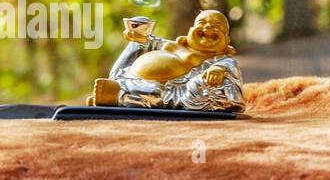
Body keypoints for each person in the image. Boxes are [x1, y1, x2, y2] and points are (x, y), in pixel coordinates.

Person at [89, 10, 245, 113]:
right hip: (133, 78)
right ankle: (117, 93)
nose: (209, 26)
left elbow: (230, 64)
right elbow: (152, 39)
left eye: (217, 26)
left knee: (158, 92)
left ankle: (118, 97)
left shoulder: (219, 59)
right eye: (202, 23)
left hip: (179, 91)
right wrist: (139, 36)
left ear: (227, 42)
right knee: (139, 44)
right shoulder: (173, 45)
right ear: (189, 32)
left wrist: (218, 68)